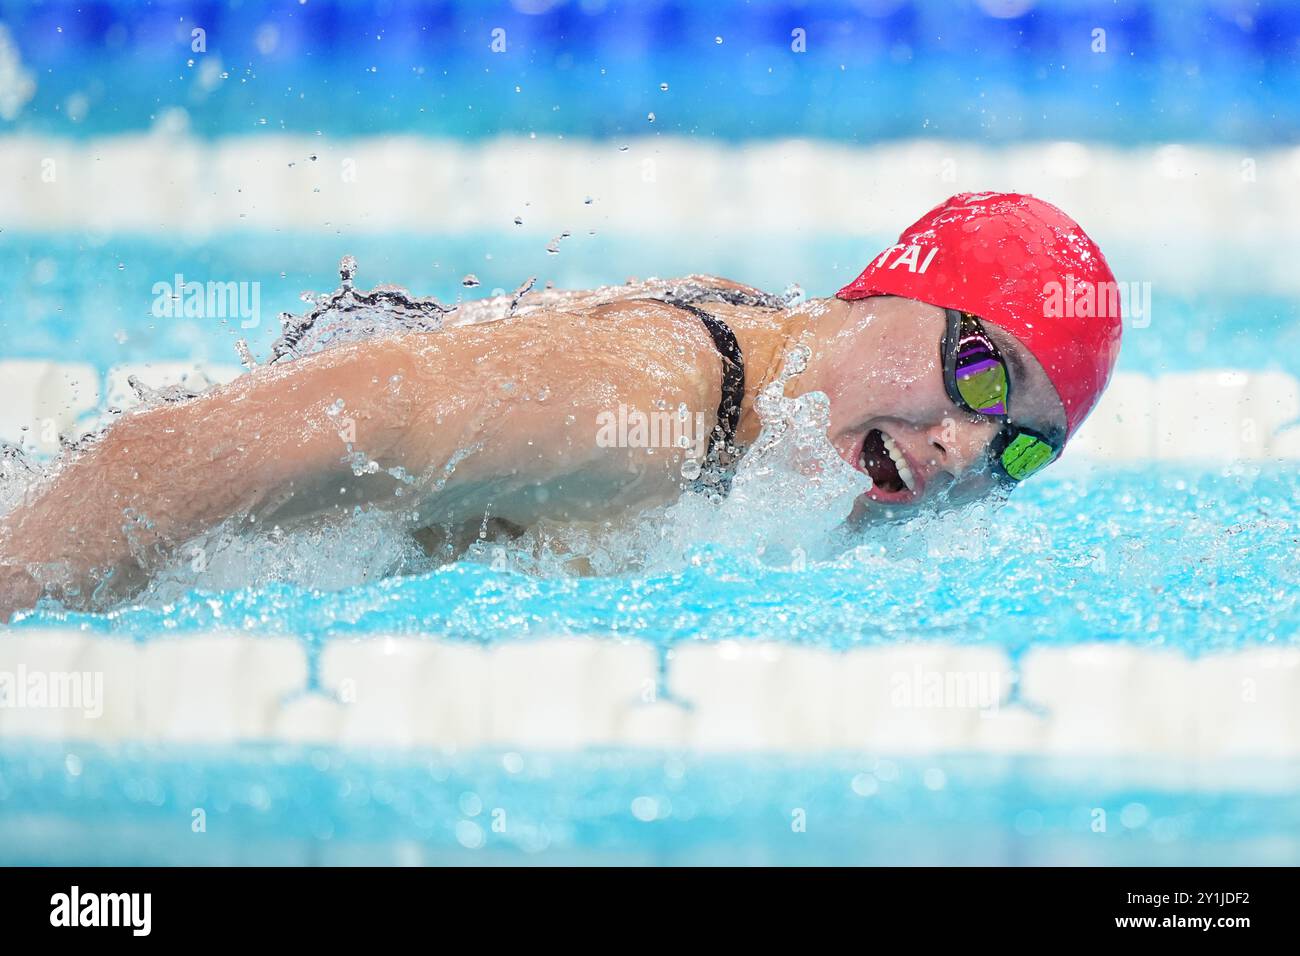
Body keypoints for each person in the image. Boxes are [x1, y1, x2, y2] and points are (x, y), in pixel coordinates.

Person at [0, 192, 1122, 618]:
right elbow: (211, 442)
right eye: (981, 373)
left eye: (1017, 449)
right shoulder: (647, 404)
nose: (962, 445)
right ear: (888, 289)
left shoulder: (780, 381)